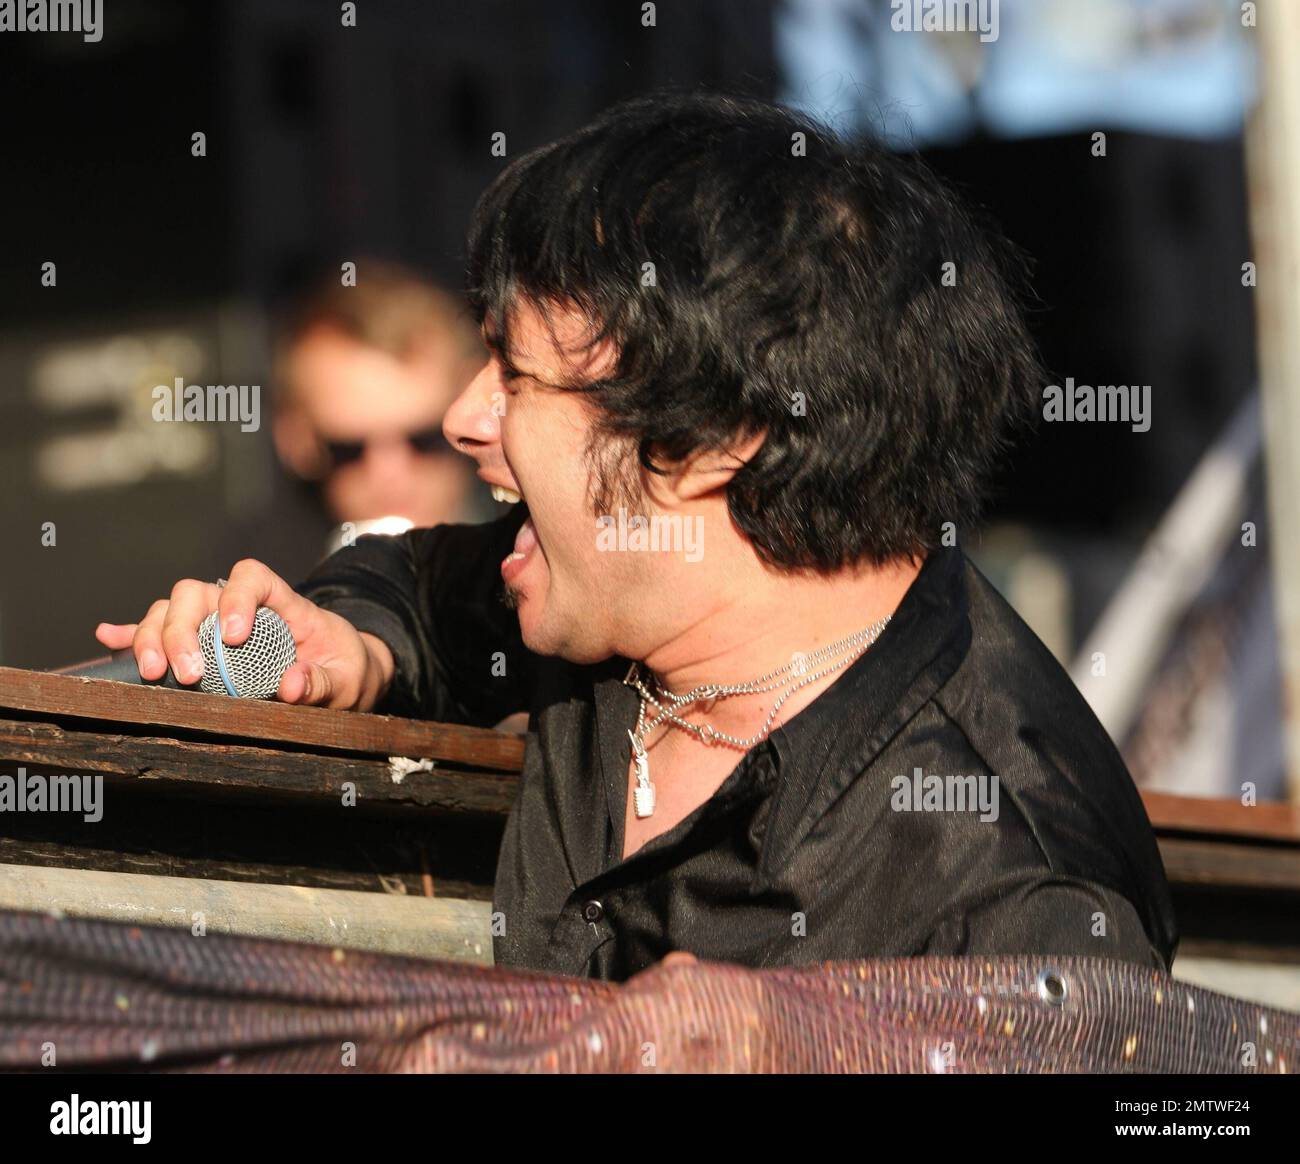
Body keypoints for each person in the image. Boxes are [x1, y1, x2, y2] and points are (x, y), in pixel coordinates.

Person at [95, 92, 1178, 982]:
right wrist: (351, 644)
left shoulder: (1011, 894)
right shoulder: (604, 597)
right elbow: (415, 582)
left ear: (713, 439)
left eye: (515, 374)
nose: (467, 418)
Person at [266, 262, 494, 564]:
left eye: (423, 438)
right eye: (350, 449)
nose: (390, 473)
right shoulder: (254, 585)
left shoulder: (542, 553)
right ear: (295, 440)